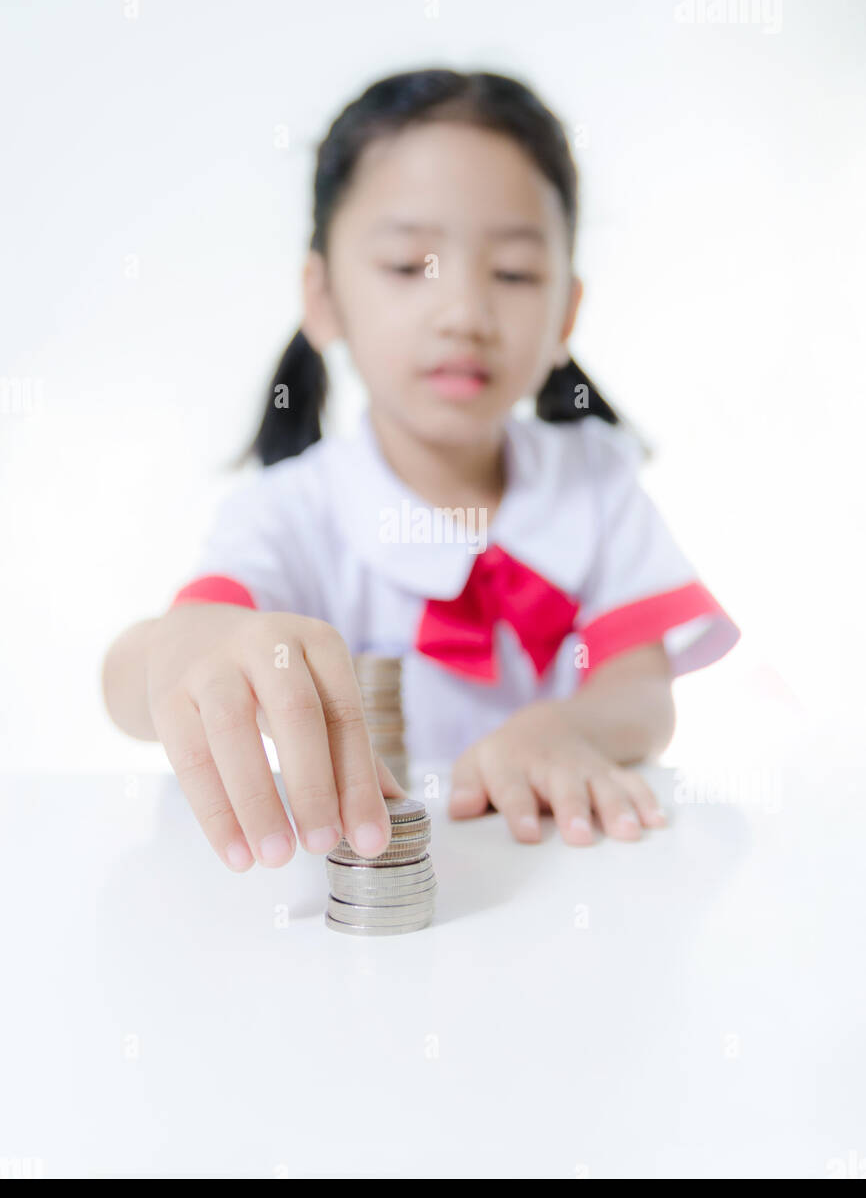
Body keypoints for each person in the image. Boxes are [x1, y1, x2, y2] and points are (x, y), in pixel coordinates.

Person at [101, 67, 739, 873]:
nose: (464, 313)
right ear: (324, 295)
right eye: (409, 266)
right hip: (365, 919)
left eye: (513, 274)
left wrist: (566, 728)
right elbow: (129, 682)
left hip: (560, 889)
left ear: (565, 315)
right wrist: (186, 648)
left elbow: (642, 692)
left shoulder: (597, 485)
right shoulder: (291, 511)